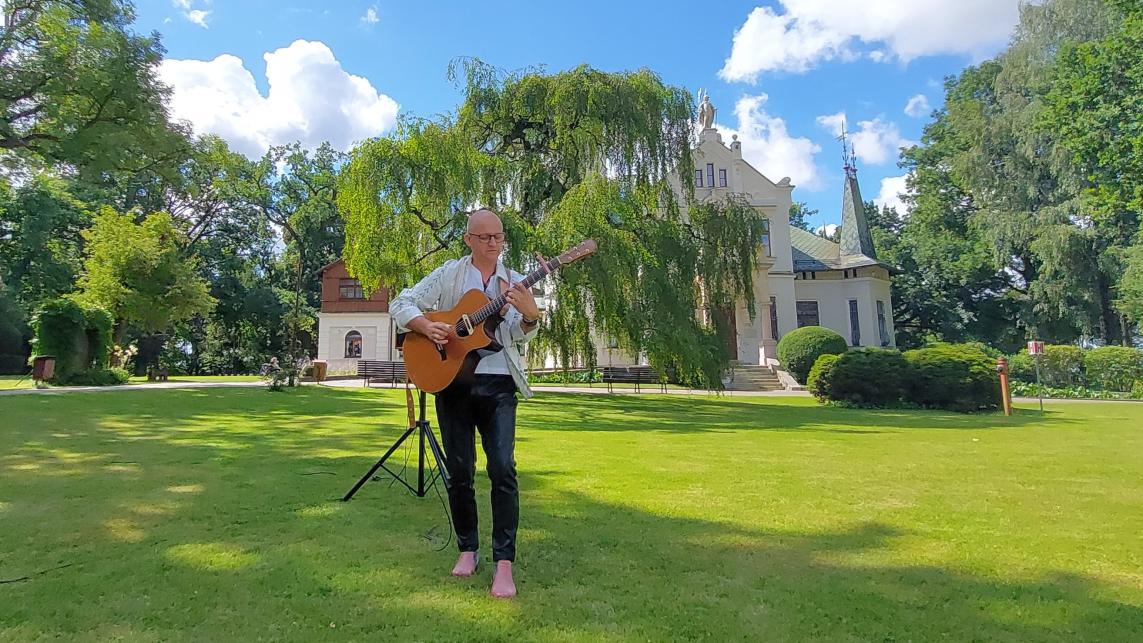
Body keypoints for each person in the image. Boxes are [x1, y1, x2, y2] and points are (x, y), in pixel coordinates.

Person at [389, 208, 541, 599]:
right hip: (452, 382)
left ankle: (504, 561)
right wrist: (425, 326)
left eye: (499, 236)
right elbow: (402, 302)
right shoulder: (450, 274)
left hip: (499, 384)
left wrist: (529, 319)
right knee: (459, 469)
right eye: (485, 236)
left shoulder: (515, 280)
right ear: (469, 239)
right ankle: (467, 549)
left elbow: (516, 336)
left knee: (502, 467)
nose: (494, 243)